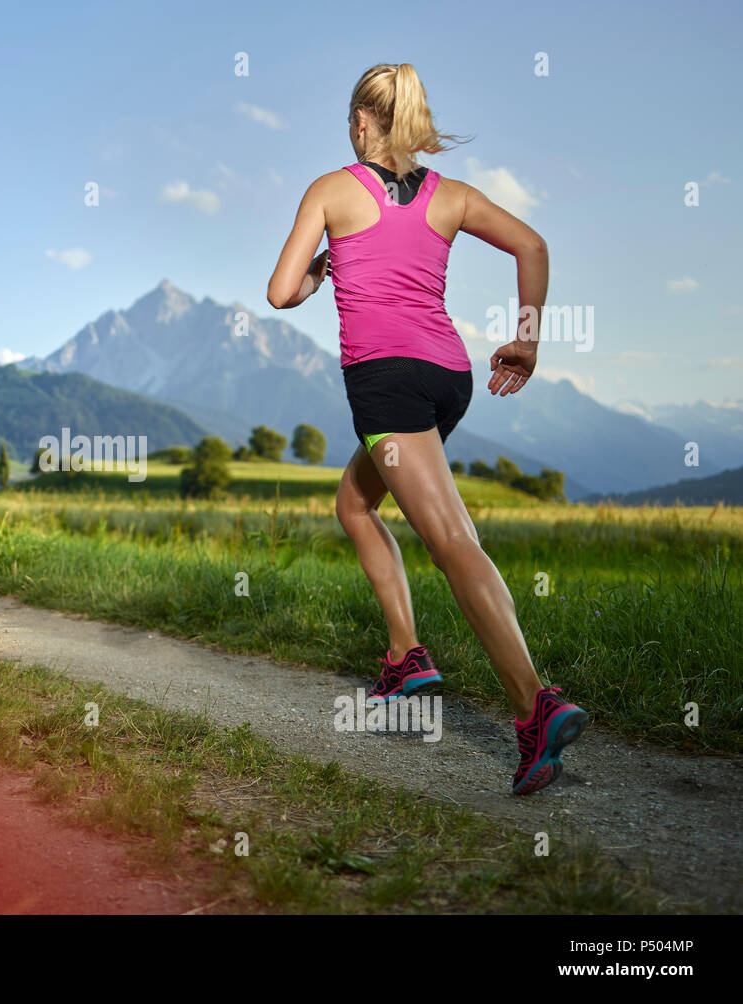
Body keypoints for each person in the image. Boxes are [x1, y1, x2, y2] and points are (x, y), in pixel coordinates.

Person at [266, 62, 586, 795]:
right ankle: (406, 653)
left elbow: (281, 293)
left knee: (451, 539)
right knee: (355, 503)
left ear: (360, 122)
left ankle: (535, 706)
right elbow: (532, 247)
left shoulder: (331, 189)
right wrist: (527, 340)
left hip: (386, 387)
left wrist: (320, 270)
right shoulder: (452, 197)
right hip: (448, 379)